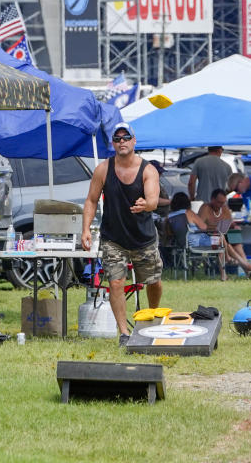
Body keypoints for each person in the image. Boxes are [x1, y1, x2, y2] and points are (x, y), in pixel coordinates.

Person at [81, 121, 163, 347]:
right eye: (117, 139)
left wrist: (146, 204)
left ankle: (152, 316)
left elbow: (154, 199)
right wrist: (86, 229)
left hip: (143, 238)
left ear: (134, 141)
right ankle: (124, 333)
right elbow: (91, 200)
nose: (122, 142)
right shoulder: (103, 169)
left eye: (126, 138)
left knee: (153, 282)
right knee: (116, 283)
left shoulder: (147, 169)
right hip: (113, 238)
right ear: (113, 144)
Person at [197, 187, 251, 278]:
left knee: (236, 242)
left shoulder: (224, 208)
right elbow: (201, 227)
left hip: (223, 235)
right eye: (219, 202)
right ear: (212, 199)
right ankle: (247, 266)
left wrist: (234, 226)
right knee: (224, 241)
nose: (220, 205)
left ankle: (247, 271)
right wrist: (216, 228)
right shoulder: (205, 208)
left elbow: (229, 223)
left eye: (223, 202)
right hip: (209, 237)